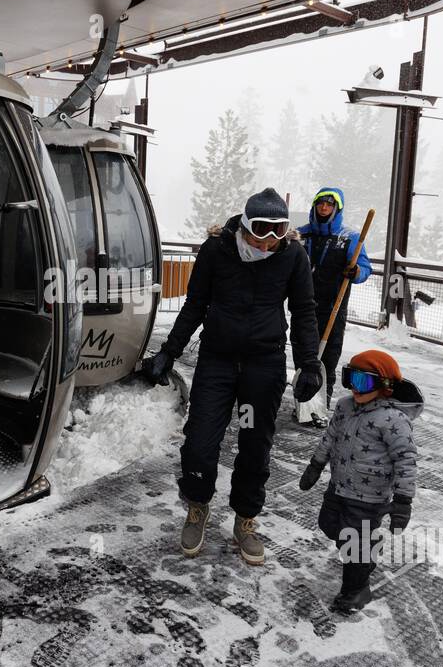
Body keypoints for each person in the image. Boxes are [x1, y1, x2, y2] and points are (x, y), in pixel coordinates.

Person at [141, 188, 324, 566]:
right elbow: (195, 304)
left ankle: (245, 518)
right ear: (245, 224)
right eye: (261, 230)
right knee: (200, 442)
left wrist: (309, 363)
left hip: (263, 368)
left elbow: (304, 311)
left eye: (278, 231)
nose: (269, 241)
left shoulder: (292, 256)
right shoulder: (217, 250)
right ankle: (197, 506)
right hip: (218, 363)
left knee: (254, 444)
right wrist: (169, 351)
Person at [299, 350, 423, 612]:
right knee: (328, 524)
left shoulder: (393, 419)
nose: (355, 388)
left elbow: (406, 460)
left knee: (354, 547)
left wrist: (403, 501)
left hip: (370, 498)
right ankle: (366, 549)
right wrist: (315, 465)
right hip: (339, 487)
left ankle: (356, 590)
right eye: (350, 378)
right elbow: (330, 437)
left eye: (363, 381)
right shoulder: (345, 406)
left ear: (385, 386)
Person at [296, 187, 372, 425]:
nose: (324, 208)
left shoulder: (349, 238)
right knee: (302, 356)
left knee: (327, 360)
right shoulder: (300, 235)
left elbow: (365, 268)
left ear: (337, 209)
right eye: (321, 203)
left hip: (333, 310)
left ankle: (320, 407)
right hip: (302, 307)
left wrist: (356, 271)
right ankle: (302, 404)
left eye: (329, 205)